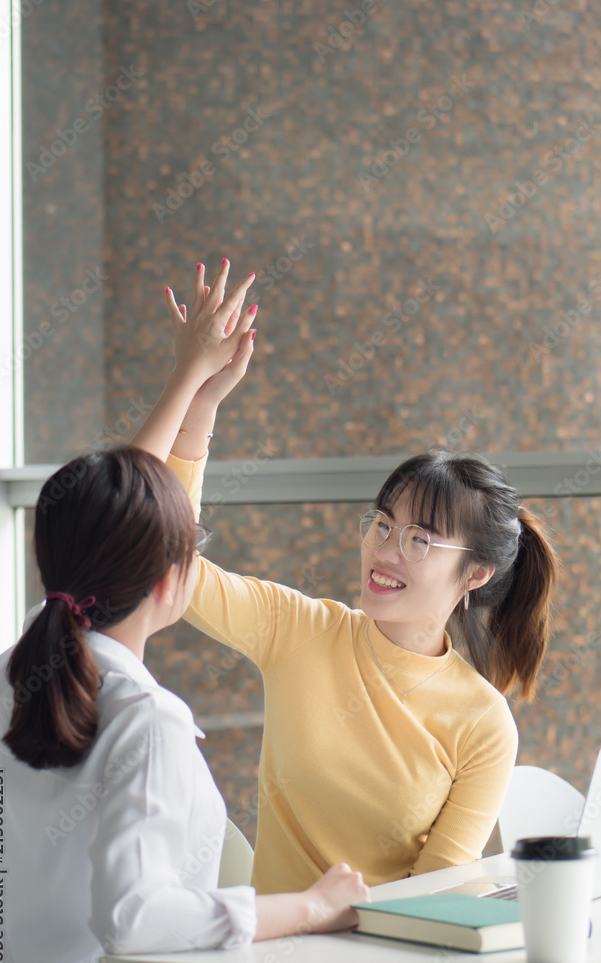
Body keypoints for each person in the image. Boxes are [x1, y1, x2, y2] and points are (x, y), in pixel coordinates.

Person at [0, 268, 368, 963]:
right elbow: (136, 920)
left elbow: (108, 513)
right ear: (169, 583)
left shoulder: (15, 668)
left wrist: (196, 391)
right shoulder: (145, 720)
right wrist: (310, 908)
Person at [132, 257, 558, 895]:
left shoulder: (484, 723)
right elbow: (171, 561)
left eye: (419, 539)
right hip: (274, 945)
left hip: (390, 953)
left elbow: (434, 895)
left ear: (475, 573)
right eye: (382, 524)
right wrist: (199, 400)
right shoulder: (301, 630)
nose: (385, 551)